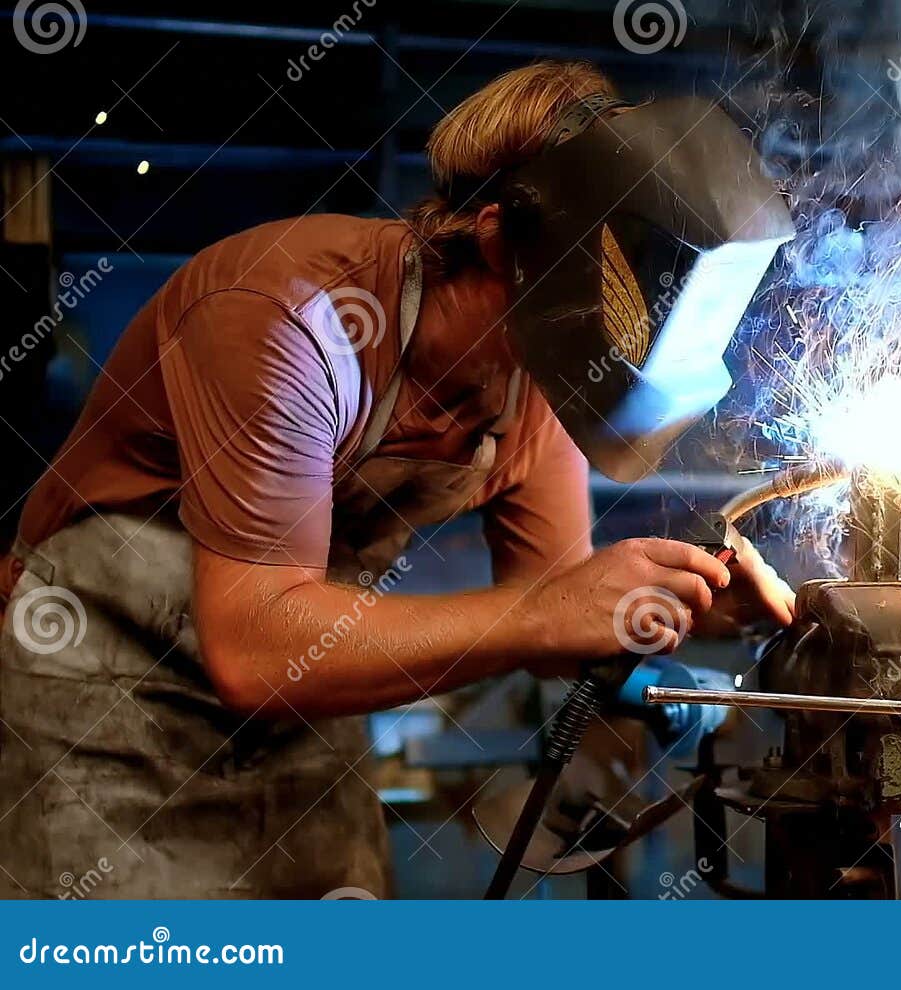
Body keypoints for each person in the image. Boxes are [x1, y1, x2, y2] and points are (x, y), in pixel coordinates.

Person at [0, 61, 794, 898]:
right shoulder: (295, 319)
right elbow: (253, 647)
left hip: (308, 714)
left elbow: (557, 621)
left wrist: (669, 618)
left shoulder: (542, 379)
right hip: (110, 705)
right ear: (497, 237)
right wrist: (552, 612)